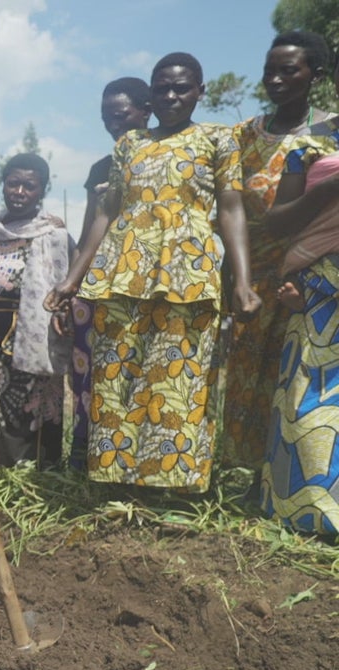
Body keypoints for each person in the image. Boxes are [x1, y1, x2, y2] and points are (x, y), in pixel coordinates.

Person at [46, 52, 261, 493]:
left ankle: (175, 489)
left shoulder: (219, 139)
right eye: (162, 88)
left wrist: (242, 282)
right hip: (122, 273)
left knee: (178, 379)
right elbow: (107, 212)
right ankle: (119, 483)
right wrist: (72, 279)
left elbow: (232, 210)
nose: (171, 96)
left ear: (200, 91)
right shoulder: (130, 144)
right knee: (118, 379)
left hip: (187, 274)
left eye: (182, 88)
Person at [223, 31, 337, 473]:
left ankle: (286, 475)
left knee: (296, 375)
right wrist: (237, 277)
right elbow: (229, 204)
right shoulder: (244, 135)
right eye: (269, 71)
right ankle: (241, 471)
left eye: (287, 71)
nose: (274, 80)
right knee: (243, 374)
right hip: (249, 269)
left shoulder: (332, 131)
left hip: (312, 273)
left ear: (316, 75)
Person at [256, 64, 339, 534]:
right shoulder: (311, 144)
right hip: (317, 288)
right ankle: (306, 515)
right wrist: (328, 187)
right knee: (307, 402)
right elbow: (277, 221)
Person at [67, 77, 152, 470]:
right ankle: (89, 455)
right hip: (99, 282)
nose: (112, 124)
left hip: (147, 282)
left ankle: (139, 460)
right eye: (106, 117)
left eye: (120, 115)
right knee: (91, 371)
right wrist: (71, 287)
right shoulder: (101, 168)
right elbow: (89, 231)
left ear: (146, 111)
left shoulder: (163, 157)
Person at [0, 152, 72, 472]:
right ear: (3, 185)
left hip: (35, 342)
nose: (19, 192)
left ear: (42, 189)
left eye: (29, 186)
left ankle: (32, 485)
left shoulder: (53, 235)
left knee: (31, 422)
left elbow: (72, 286)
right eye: (13, 184)